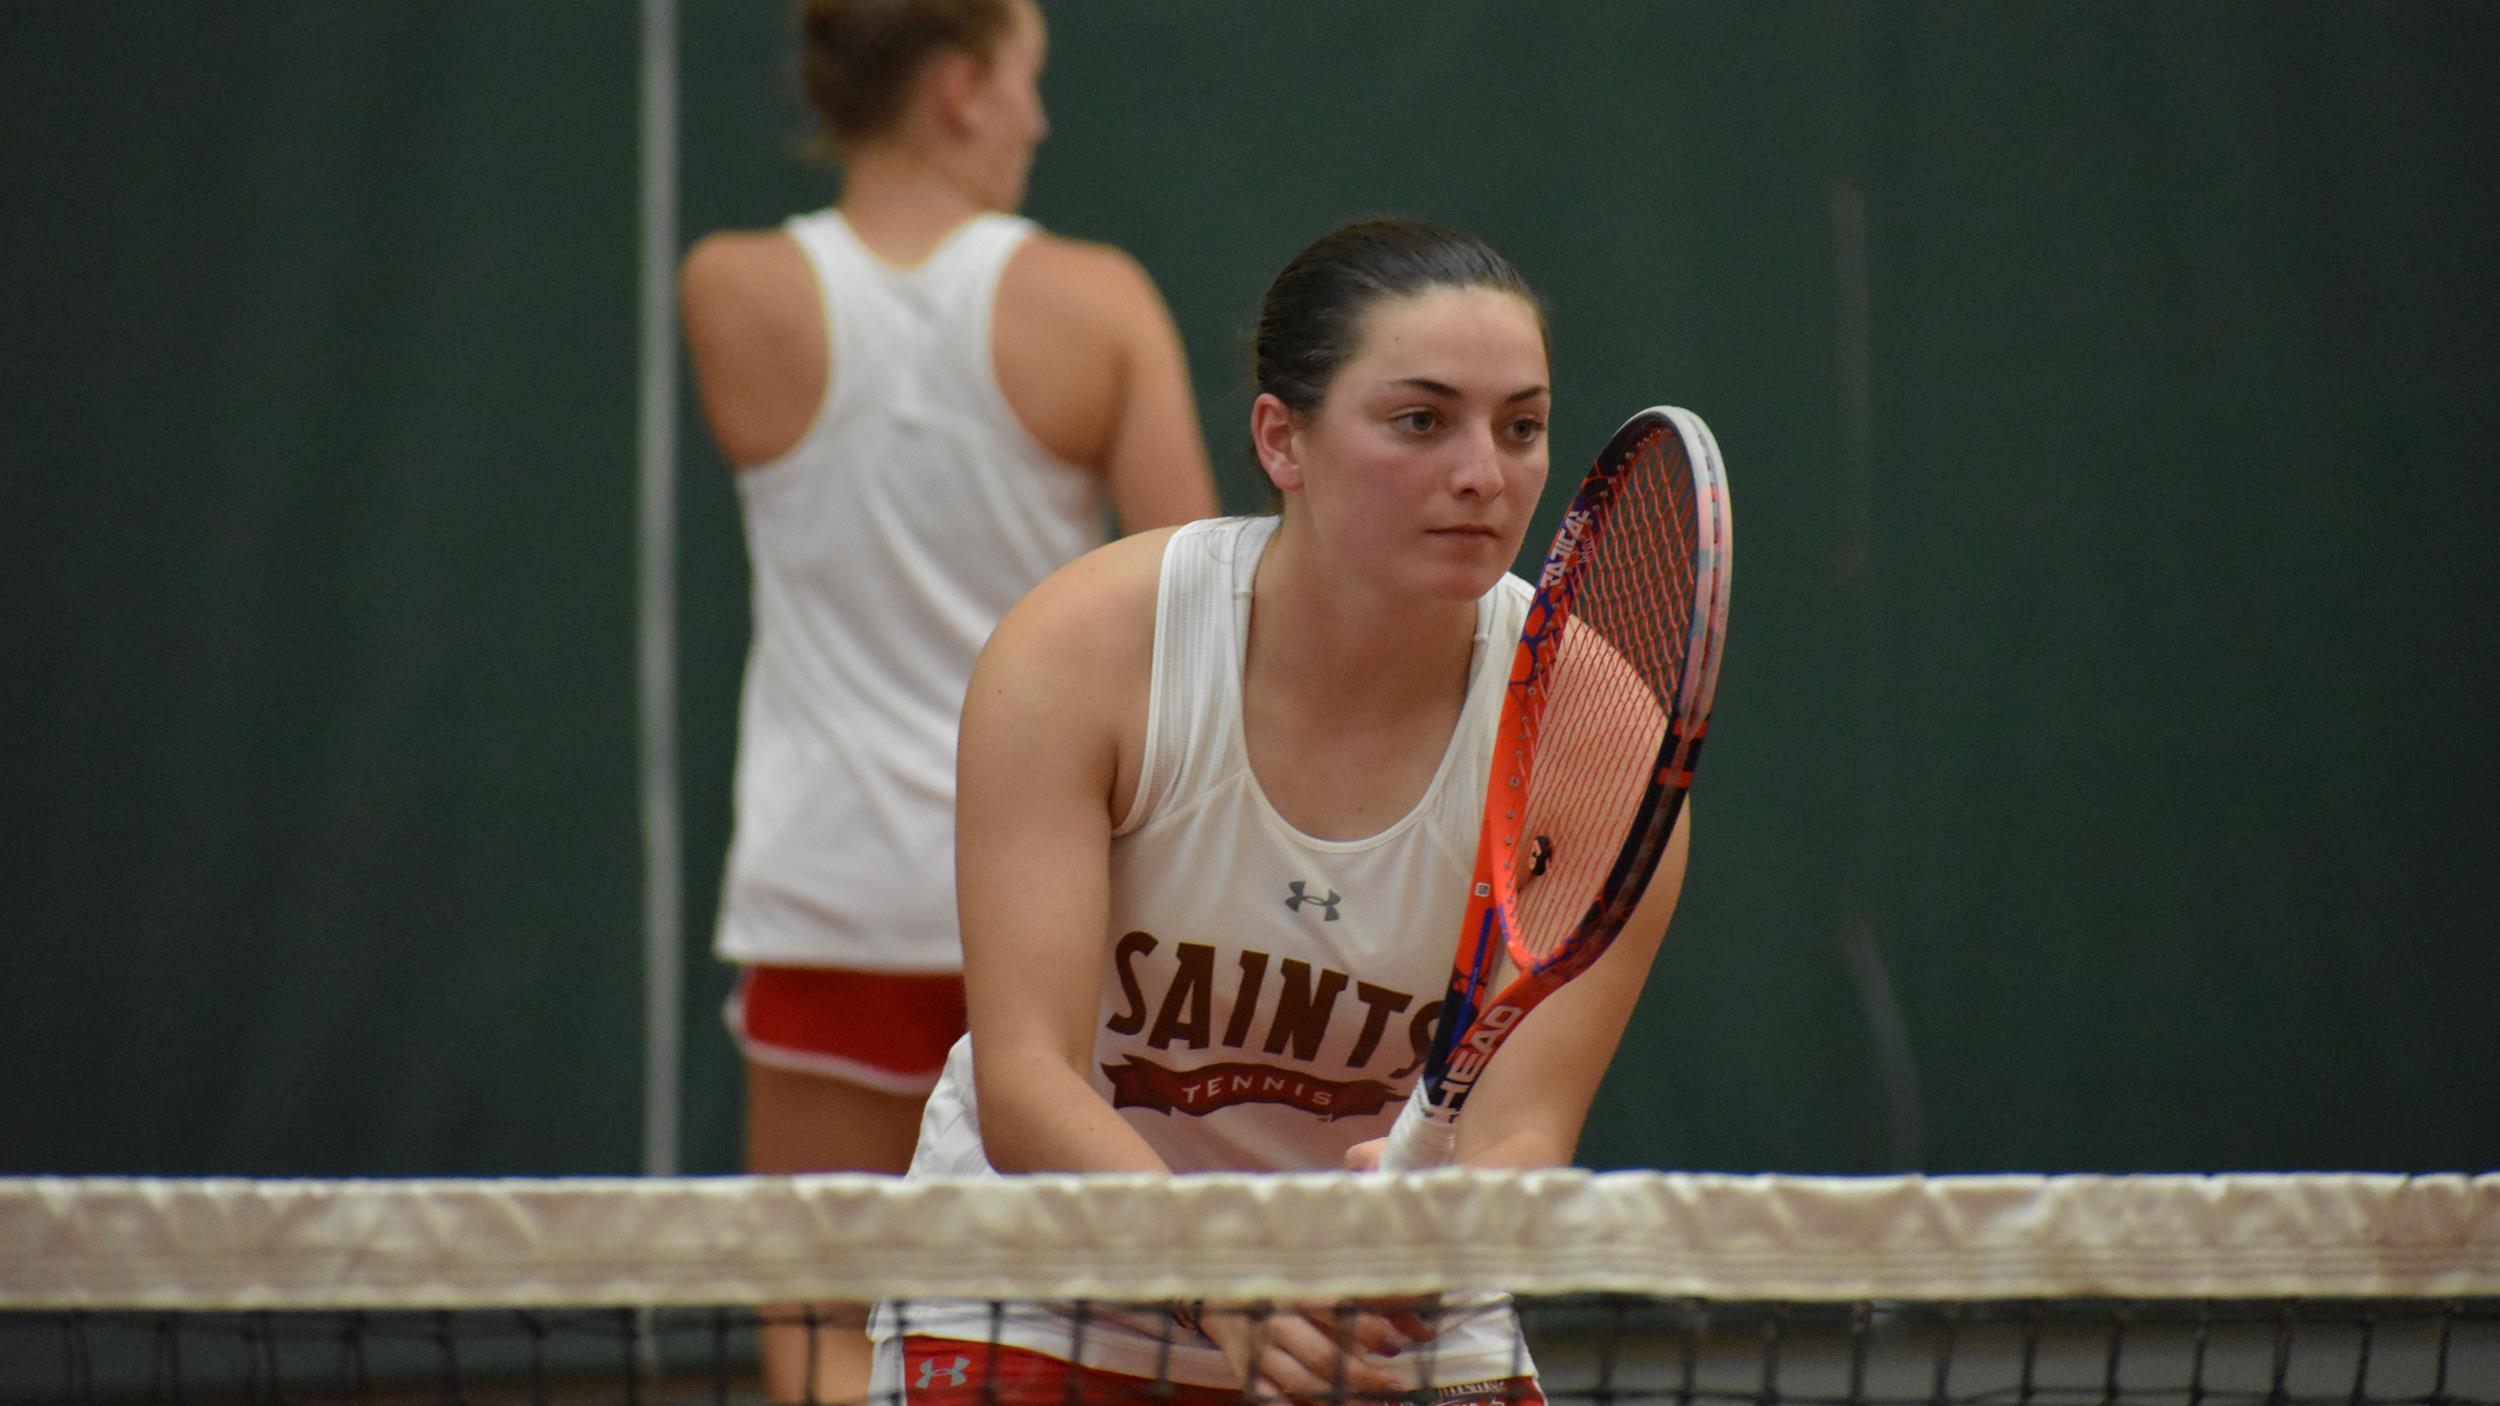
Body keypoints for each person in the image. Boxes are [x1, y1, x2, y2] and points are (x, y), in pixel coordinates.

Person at [872, 219, 1690, 1406]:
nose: (1484, 472)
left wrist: (1446, 1218)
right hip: (1046, 1288)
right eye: (1421, 420)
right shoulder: (1087, 651)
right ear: (1282, 439)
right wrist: (1218, 1267)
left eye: (1520, 426)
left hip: (1380, 1320)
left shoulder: (1598, 742)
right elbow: (1025, 1080)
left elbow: (1522, 1133)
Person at [676, 1, 1217, 1399]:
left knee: (815, 1324)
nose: (1042, 121)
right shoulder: (1100, 302)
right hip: (1054, 904)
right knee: (1083, 1322)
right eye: (1031, 84)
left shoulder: (728, 289)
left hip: (834, 887)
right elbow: (1199, 605)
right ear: (964, 88)